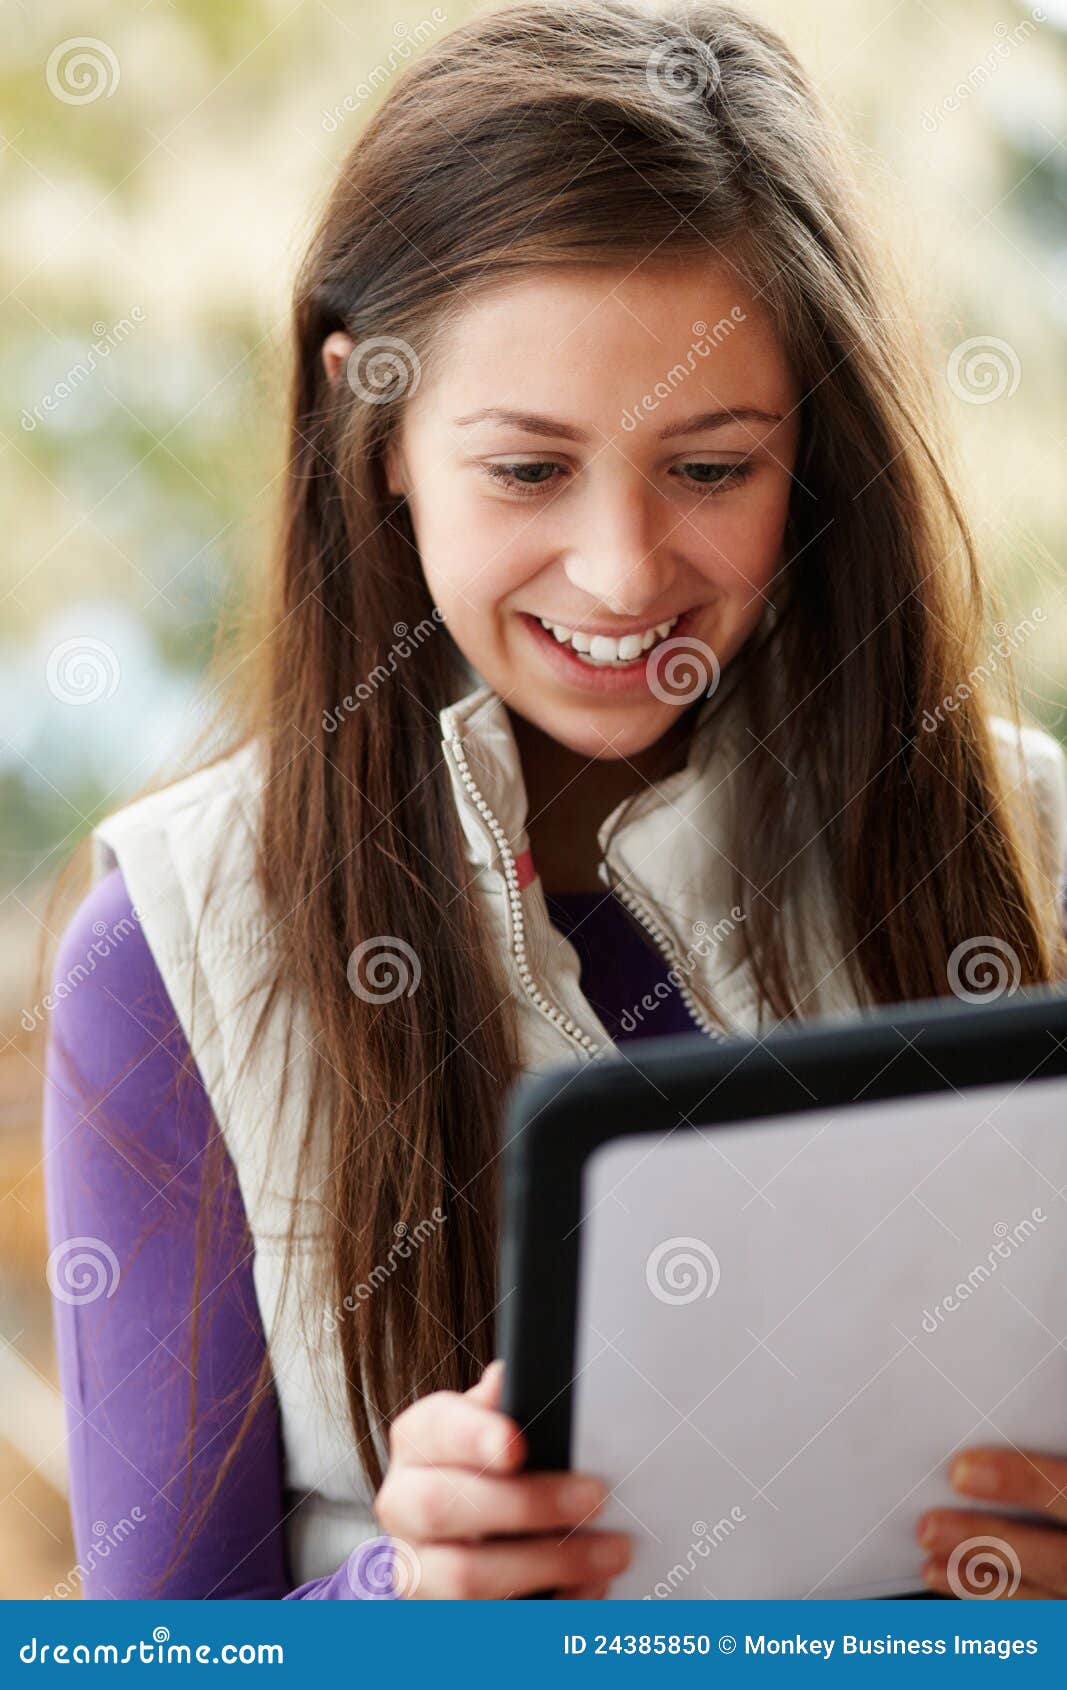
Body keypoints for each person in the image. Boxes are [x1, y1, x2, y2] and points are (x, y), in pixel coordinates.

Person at [41, 0, 1067, 1601]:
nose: (621, 569)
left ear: (820, 452)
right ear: (371, 425)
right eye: (527, 469)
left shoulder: (1034, 842)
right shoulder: (170, 947)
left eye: (714, 466)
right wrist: (416, 1600)